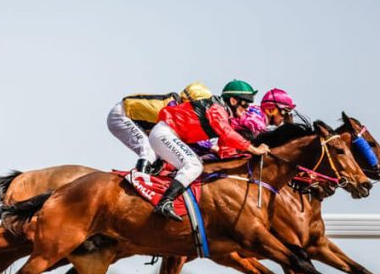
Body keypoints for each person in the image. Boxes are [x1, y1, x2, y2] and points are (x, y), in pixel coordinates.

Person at [148, 80, 270, 221]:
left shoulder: (225, 115)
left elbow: (225, 151)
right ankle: (165, 202)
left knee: (198, 164)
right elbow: (228, 134)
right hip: (165, 133)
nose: (247, 108)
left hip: (169, 135)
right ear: (233, 100)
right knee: (194, 166)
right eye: (245, 103)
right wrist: (254, 149)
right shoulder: (217, 109)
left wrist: (247, 157)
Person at [107, 83, 213, 174]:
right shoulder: (172, 108)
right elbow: (188, 139)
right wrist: (213, 148)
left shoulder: (178, 105)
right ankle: (138, 182)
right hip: (121, 115)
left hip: (135, 118)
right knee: (149, 150)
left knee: (160, 153)